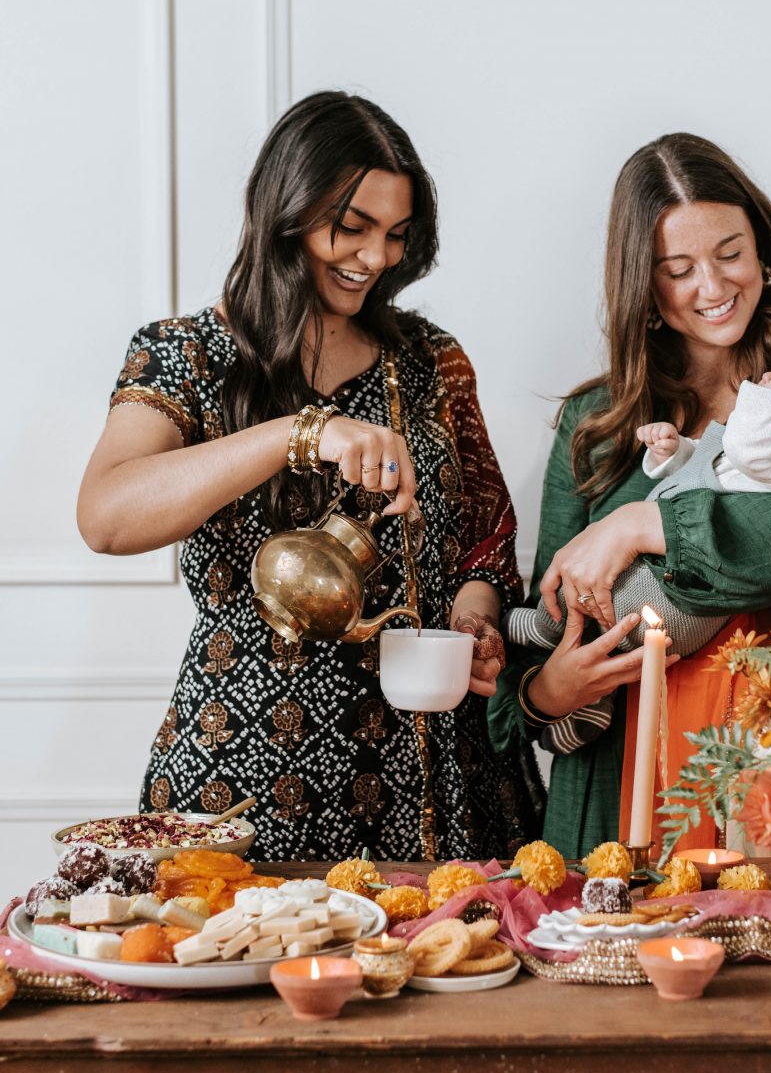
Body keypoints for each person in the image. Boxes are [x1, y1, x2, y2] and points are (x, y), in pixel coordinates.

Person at [78, 91, 544, 862]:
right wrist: (301, 434)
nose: (374, 258)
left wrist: (475, 618)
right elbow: (106, 516)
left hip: (436, 767)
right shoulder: (186, 354)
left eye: (395, 235)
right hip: (252, 762)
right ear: (284, 210)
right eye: (351, 227)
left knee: (455, 968)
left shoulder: (431, 360)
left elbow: (483, 540)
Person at [487, 133, 771, 856]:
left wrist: (646, 524)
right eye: (677, 269)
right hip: (618, 795)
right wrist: (550, 691)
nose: (711, 288)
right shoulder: (597, 426)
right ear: (643, 285)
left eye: (730, 254)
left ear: (766, 255)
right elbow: (540, 625)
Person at [505, 340, 771, 758]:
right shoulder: (599, 410)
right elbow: (713, 462)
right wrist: (674, 453)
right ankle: (576, 673)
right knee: (603, 623)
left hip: (685, 622)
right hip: (620, 735)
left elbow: (750, 452)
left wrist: (634, 524)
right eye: (679, 270)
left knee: (615, 621)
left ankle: (554, 632)